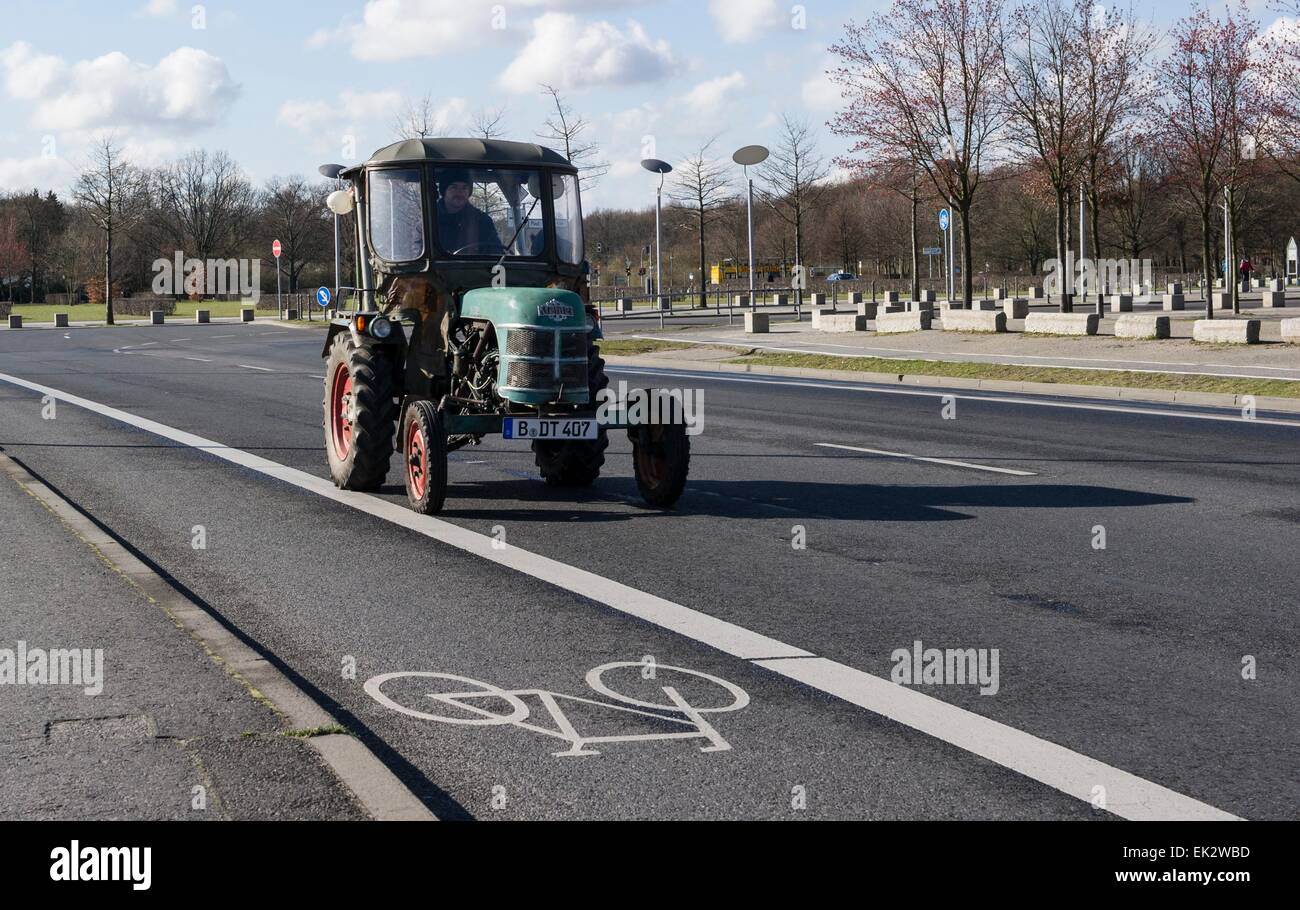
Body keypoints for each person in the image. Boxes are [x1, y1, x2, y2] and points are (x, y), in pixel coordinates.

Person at [435, 168, 504, 256]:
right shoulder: (430, 220)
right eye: (454, 187)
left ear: (469, 191)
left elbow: (496, 253)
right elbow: (420, 253)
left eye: (464, 188)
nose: (460, 193)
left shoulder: (482, 221)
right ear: (444, 190)